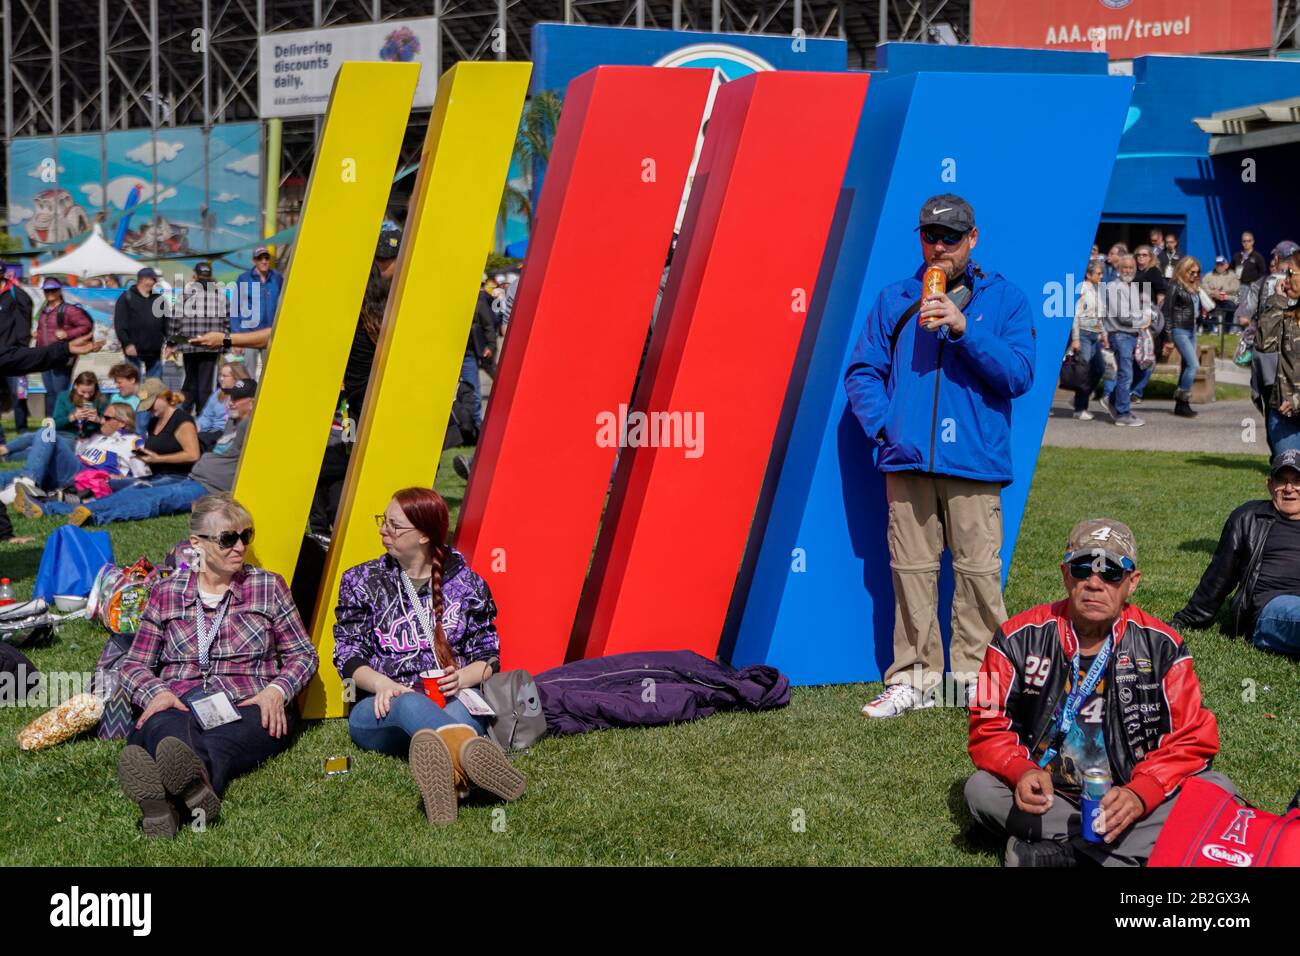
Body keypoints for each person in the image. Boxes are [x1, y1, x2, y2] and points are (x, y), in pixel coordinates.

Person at [845, 194, 1035, 716]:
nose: (939, 247)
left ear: (972, 240)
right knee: (910, 570)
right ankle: (914, 678)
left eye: (951, 237)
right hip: (907, 460)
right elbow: (862, 371)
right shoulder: (895, 297)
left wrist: (964, 329)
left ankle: (976, 679)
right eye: (930, 235)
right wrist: (885, 426)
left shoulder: (1006, 300)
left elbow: (1018, 374)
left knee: (978, 574)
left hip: (975, 462)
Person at [965, 518, 1233, 866]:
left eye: (1110, 573)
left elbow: (1193, 739)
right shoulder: (1013, 638)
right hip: (1051, 794)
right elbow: (986, 725)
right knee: (979, 790)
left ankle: (1066, 854)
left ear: (1131, 583)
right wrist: (1021, 771)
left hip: (1128, 792)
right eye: (1082, 569)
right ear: (1065, 575)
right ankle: (1120, 851)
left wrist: (1142, 792)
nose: (1094, 583)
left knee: (1216, 788)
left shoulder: (1164, 646)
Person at [115, 493, 318, 838]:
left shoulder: (268, 587)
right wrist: (156, 692)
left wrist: (276, 691)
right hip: (179, 699)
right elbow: (133, 663)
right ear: (197, 543)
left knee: (195, 737)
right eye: (228, 539)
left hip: (248, 702)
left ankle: (166, 805)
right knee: (165, 724)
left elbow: (303, 654)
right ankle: (194, 793)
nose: (240, 547)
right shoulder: (167, 592)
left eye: (246, 536)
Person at [334, 487, 525, 824]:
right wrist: (382, 684)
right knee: (409, 703)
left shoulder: (467, 584)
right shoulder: (361, 580)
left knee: (461, 710)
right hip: (383, 708)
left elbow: (488, 655)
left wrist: (461, 678)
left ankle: (448, 780)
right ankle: (475, 769)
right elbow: (347, 652)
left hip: (453, 698)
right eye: (384, 521)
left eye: (394, 526)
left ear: (423, 536)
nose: (383, 531)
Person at [38, 379, 252, 526]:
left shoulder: (248, 426)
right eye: (231, 396)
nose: (230, 401)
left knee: (154, 498)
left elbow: (192, 454)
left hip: (200, 484)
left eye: (238, 398)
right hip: (187, 478)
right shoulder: (233, 424)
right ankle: (58, 506)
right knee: (127, 489)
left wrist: (158, 458)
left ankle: (93, 515)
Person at [1171, 449, 1300, 657]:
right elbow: (1220, 574)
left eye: (1297, 481)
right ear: (1270, 485)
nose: (1289, 489)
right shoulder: (1249, 517)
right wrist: (1188, 619)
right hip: (1271, 607)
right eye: (1281, 481)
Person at [0, 319, 101, 543]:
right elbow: (55, 420)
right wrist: (73, 416)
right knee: (42, 435)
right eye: (82, 391)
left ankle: (23, 480)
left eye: (89, 392)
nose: (86, 396)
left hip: (76, 448)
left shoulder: (103, 404)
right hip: (60, 438)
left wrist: (101, 421)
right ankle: (18, 476)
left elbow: (13, 358)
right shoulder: (66, 399)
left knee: (43, 435)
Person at [5, 402, 146, 514]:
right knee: (13, 474)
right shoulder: (97, 437)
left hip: (84, 476)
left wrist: (120, 479)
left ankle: (26, 484)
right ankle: (17, 489)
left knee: (47, 432)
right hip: (69, 472)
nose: (102, 420)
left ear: (122, 422)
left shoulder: (133, 441)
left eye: (107, 418)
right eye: (103, 416)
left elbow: (143, 476)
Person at [1102, 254, 1158, 427]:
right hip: (1120, 335)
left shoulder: (1133, 287)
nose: (1128, 270)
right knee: (1126, 374)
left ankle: (1113, 400)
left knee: (1144, 368)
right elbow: (1124, 316)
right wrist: (1146, 317)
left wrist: (1149, 315)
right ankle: (1123, 414)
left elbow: (1144, 309)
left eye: (1131, 268)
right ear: (1119, 269)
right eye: (1124, 267)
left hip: (1134, 336)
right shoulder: (1112, 287)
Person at [1253, 251, 1300, 455]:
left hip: (1292, 404)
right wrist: (1277, 301)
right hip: (1283, 414)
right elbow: (1263, 344)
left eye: (1290, 273)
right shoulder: (1286, 314)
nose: (1285, 280)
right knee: (1288, 484)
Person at [170, 261, 228, 413]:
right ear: (210, 277)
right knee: (206, 386)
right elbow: (227, 321)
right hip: (211, 347)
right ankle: (203, 421)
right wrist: (226, 344)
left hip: (189, 345)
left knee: (190, 382)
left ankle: (183, 416)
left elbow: (174, 322)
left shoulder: (184, 295)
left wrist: (172, 343)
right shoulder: (220, 296)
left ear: (194, 276)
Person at [1162, 257, 1208, 419]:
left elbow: (1194, 310)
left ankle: (1181, 406)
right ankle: (1183, 398)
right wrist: (1167, 339)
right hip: (1179, 329)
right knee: (1193, 365)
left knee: (1186, 366)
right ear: (1183, 270)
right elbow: (1166, 312)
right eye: (1191, 272)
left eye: (1197, 272)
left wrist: (1201, 317)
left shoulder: (1194, 287)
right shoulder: (1174, 286)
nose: (1195, 275)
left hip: (1191, 329)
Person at [33, 277, 93, 399]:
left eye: (53, 290)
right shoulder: (44, 311)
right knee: (50, 393)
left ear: (59, 291)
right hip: (45, 356)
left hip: (61, 355)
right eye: (46, 291)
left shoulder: (69, 309)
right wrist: (37, 335)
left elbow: (87, 325)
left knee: (60, 394)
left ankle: (62, 418)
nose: (50, 293)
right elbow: (43, 330)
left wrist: (68, 333)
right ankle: (51, 418)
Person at [230, 246, 282, 378]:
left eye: (266, 257)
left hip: (271, 334)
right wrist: (236, 338)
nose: (264, 261)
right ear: (254, 260)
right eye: (260, 258)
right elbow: (235, 308)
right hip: (249, 334)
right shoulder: (244, 278)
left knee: (271, 374)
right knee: (248, 376)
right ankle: (250, 399)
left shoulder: (277, 278)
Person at [1069, 261, 1108, 420]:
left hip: (1094, 334)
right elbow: (1075, 315)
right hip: (1084, 333)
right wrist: (1076, 338)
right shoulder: (1083, 289)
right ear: (1088, 274)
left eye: (1101, 273)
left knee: (1099, 368)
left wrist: (1103, 334)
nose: (1101, 276)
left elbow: (1098, 314)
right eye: (1098, 273)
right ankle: (1080, 408)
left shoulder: (1097, 289)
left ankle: (1079, 398)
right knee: (1084, 372)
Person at [113, 267, 167, 379]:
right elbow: (120, 324)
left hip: (154, 351)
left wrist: (170, 343)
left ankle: (151, 397)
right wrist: (127, 343)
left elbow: (166, 322)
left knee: (154, 387)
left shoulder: (159, 299)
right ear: (143, 279)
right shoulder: (126, 298)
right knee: (133, 384)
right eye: (153, 279)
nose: (154, 282)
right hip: (133, 350)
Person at [0, 267, 35, 433]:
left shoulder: (14, 293)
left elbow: (27, 309)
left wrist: (21, 345)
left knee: (19, 393)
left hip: (12, 353)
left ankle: (22, 429)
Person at [195, 361, 251, 450]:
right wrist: (195, 427)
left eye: (225, 376)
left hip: (229, 434)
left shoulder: (246, 396)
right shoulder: (218, 393)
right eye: (220, 375)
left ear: (237, 378)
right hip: (212, 432)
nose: (221, 379)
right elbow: (206, 417)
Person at [1202, 255, 1240, 334]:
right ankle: (1210, 329)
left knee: (1231, 306)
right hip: (1212, 299)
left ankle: (1226, 329)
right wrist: (1213, 293)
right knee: (1205, 306)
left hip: (1226, 299)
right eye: (1217, 264)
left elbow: (1235, 288)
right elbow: (1203, 286)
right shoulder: (1209, 275)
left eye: (1221, 264)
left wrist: (1221, 292)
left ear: (1226, 265)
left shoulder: (1232, 275)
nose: (1219, 266)